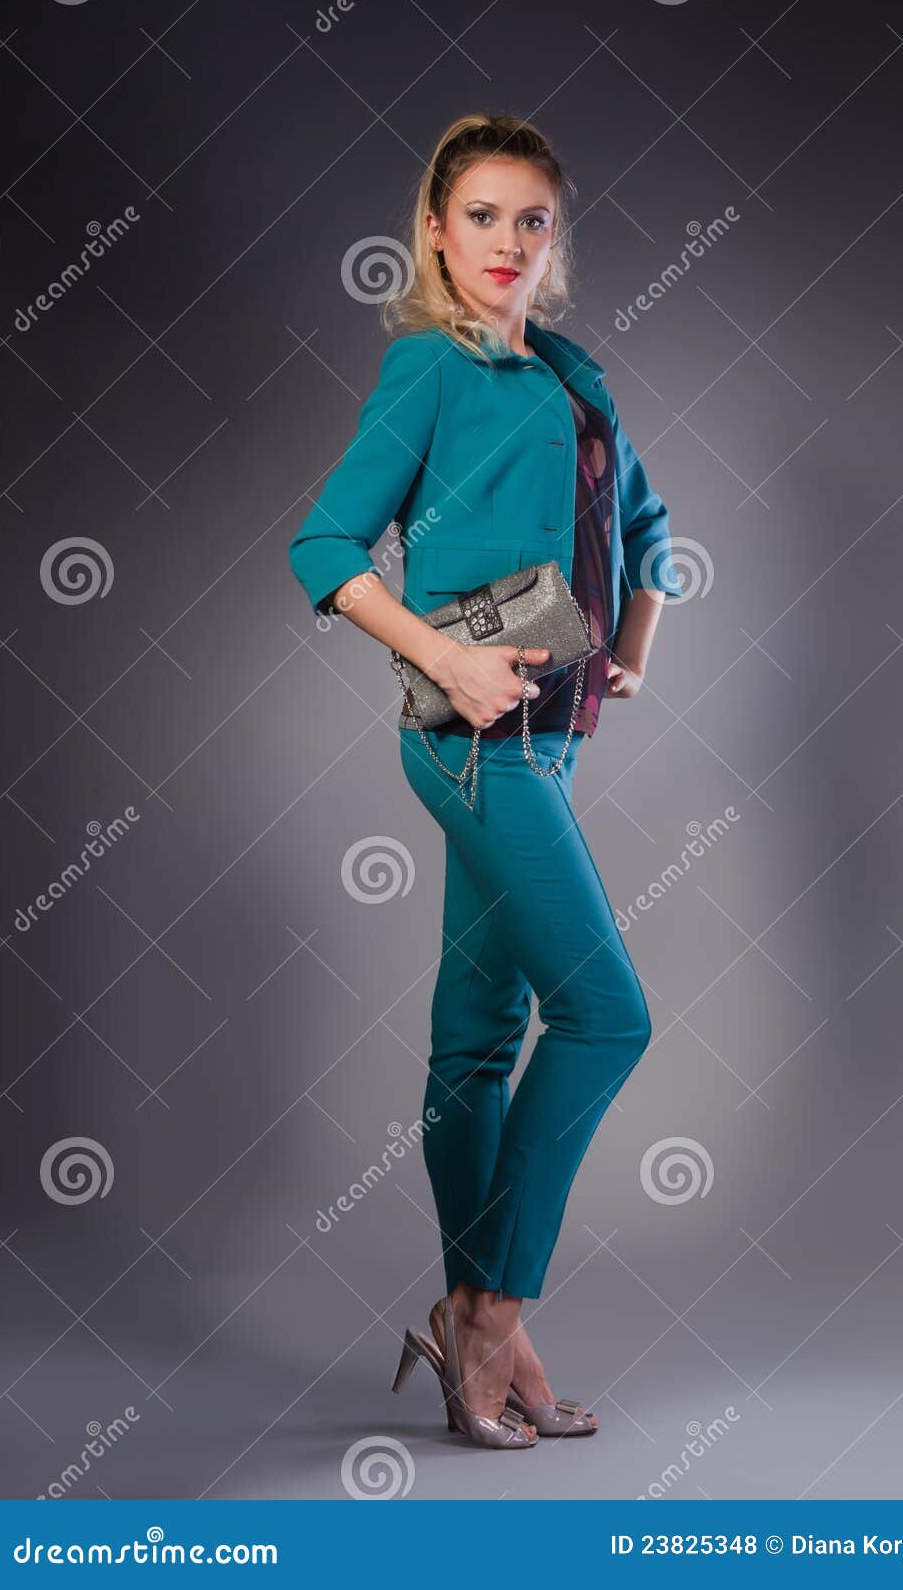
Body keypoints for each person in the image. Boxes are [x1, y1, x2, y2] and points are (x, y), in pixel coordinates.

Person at [288, 113, 682, 1450]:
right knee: (607, 1017)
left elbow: (647, 522)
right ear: (438, 234)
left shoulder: (573, 373)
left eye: (533, 220)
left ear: (551, 239)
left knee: (475, 1045)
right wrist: (448, 670)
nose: (510, 243)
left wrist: (627, 643)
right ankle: (492, 1312)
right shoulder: (426, 370)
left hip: (553, 739)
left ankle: (469, 1319)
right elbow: (324, 547)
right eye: (484, 218)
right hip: (471, 741)